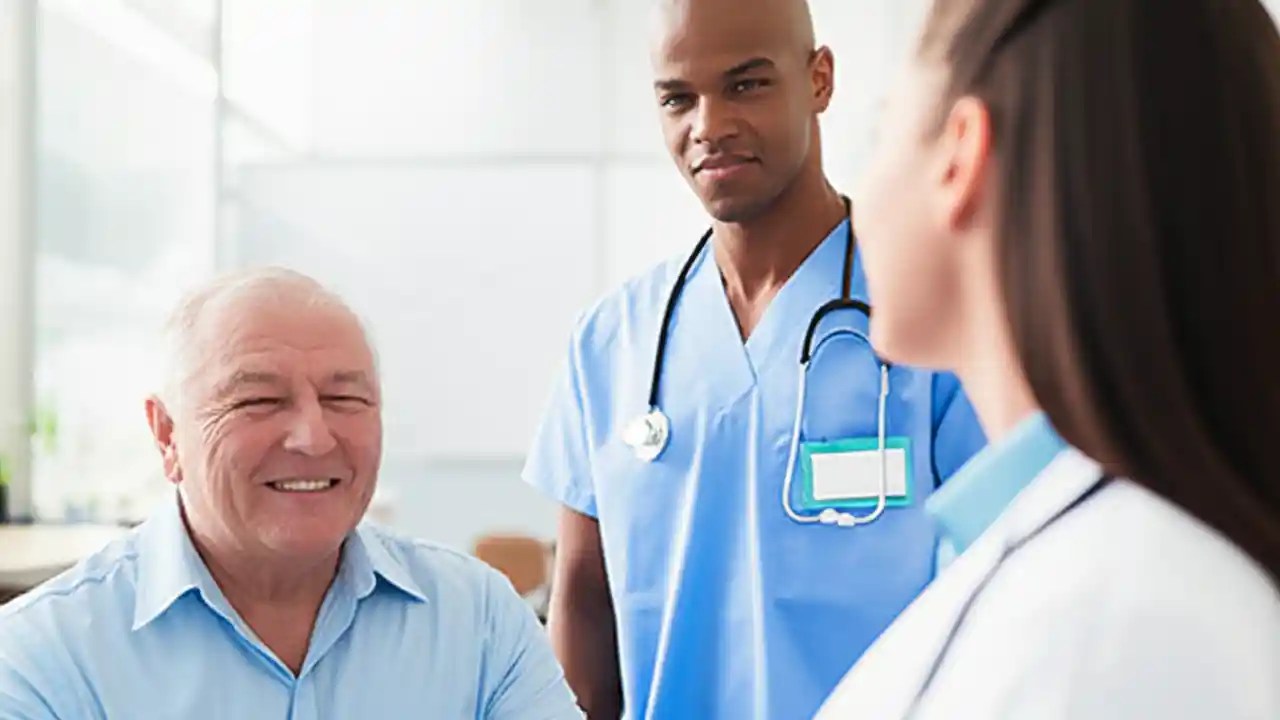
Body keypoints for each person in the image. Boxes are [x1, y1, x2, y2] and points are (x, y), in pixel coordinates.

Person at [522, 0, 987, 717]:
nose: (709, 125)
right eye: (678, 98)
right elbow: (584, 603)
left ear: (819, 79)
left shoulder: (937, 315)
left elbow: (1003, 579)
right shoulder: (611, 343)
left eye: (746, 84)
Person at [815, 0, 1280, 717]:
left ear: (960, 156)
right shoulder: (1118, 573)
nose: (862, 191)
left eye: (882, 131)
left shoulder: (1112, 623)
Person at [0, 269, 583, 719]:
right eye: (259, 401)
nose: (313, 437)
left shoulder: (477, 621)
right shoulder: (44, 655)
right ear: (167, 434)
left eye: (344, 399)